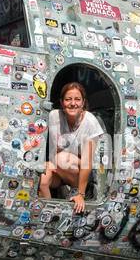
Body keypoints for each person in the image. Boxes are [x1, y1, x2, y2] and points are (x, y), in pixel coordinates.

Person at [38, 81, 104, 214]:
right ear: (62, 102)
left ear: (83, 102)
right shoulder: (54, 117)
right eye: (68, 99)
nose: (73, 103)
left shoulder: (90, 122)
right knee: (43, 177)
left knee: (63, 158)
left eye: (77, 99)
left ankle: (75, 191)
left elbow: (87, 162)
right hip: (59, 170)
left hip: (79, 174)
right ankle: (49, 213)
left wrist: (81, 194)